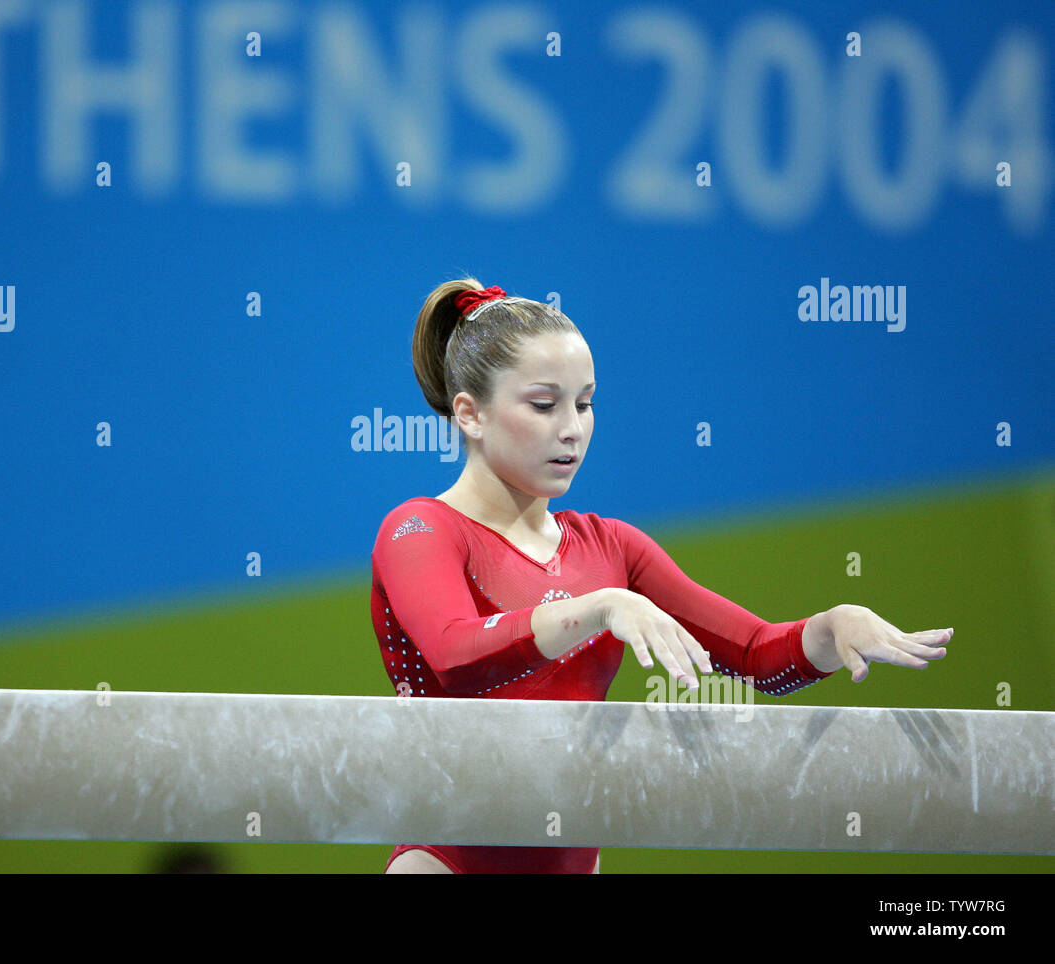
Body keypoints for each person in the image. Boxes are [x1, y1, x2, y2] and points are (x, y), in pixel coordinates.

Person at [372, 279, 953, 874]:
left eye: (586, 402)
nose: (571, 428)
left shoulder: (611, 547)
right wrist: (598, 609)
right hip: (446, 861)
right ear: (469, 413)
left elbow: (753, 654)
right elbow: (455, 654)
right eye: (544, 404)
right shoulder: (420, 530)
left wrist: (830, 629)